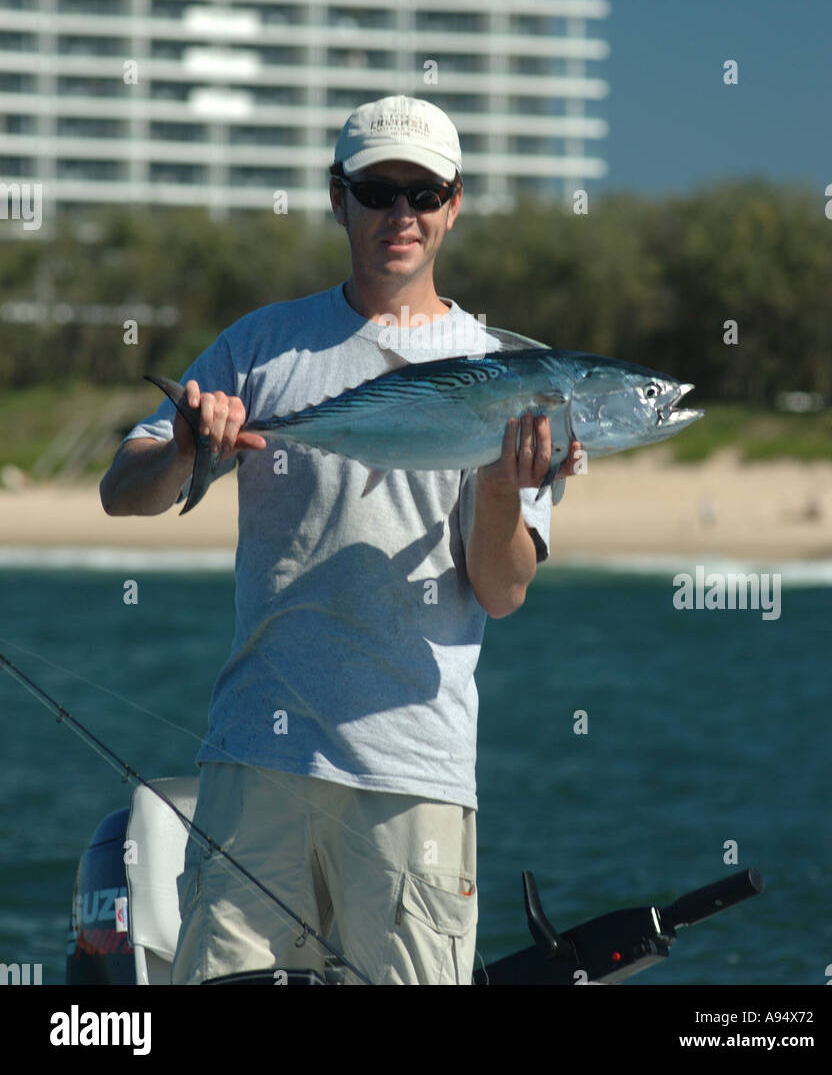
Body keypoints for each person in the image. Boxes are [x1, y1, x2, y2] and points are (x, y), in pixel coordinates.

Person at [99, 95, 583, 986]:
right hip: (257, 760)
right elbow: (121, 491)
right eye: (378, 190)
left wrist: (501, 488)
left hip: (415, 771)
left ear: (455, 203)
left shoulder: (510, 370)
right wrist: (188, 447)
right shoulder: (264, 344)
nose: (402, 214)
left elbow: (503, 591)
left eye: (424, 193)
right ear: (338, 199)